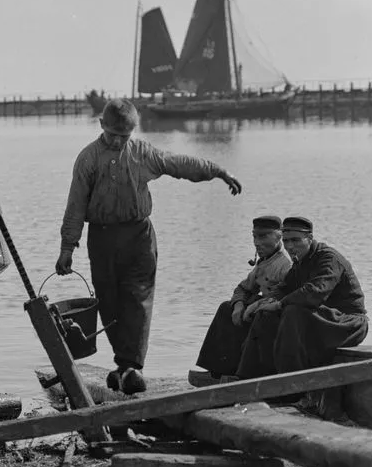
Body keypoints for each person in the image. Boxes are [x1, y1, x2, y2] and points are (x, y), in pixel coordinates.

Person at [55, 98, 242, 394]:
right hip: (102, 238)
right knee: (109, 299)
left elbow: (178, 164)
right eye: (112, 134)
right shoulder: (88, 158)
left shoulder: (142, 153)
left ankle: (132, 366)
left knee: (138, 300)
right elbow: (76, 204)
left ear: (132, 132)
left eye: (124, 136)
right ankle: (123, 364)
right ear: (101, 125)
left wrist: (217, 171)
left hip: (139, 237)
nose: (117, 141)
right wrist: (68, 248)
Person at [238, 215, 369, 416]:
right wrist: (261, 303)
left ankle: (292, 389)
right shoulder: (300, 262)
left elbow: (315, 291)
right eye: (287, 240)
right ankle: (249, 382)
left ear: (310, 238)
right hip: (322, 319)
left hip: (349, 322)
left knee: (292, 311)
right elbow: (283, 288)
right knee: (266, 314)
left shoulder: (328, 258)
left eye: (296, 240)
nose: (290, 246)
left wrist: (279, 304)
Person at [194, 215, 291, 380]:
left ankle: (245, 374)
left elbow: (284, 296)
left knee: (262, 317)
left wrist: (255, 306)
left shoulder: (285, 264)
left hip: (276, 317)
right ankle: (217, 370)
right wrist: (238, 305)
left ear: (279, 236)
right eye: (254, 236)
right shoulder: (264, 261)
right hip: (261, 310)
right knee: (226, 307)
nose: (256, 243)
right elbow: (243, 288)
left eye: (263, 236)